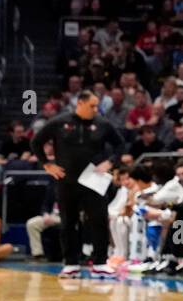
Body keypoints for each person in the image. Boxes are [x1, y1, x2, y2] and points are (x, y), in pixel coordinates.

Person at [30, 91, 124, 277]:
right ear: (80, 103)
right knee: (68, 222)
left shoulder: (102, 124)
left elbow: (120, 145)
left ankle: (100, 262)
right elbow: (36, 142)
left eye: (97, 106)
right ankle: (71, 263)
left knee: (98, 221)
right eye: (92, 106)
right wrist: (47, 165)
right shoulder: (59, 122)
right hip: (67, 181)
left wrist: (110, 162)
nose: (96, 110)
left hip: (94, 181)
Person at [24, 181, 61, 262]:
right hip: (52, 215)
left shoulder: (74, 184)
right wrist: (46, 214)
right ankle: (37, 254)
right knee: (31, 224)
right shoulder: (53, 185)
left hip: (68, 216)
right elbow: (45, 205)